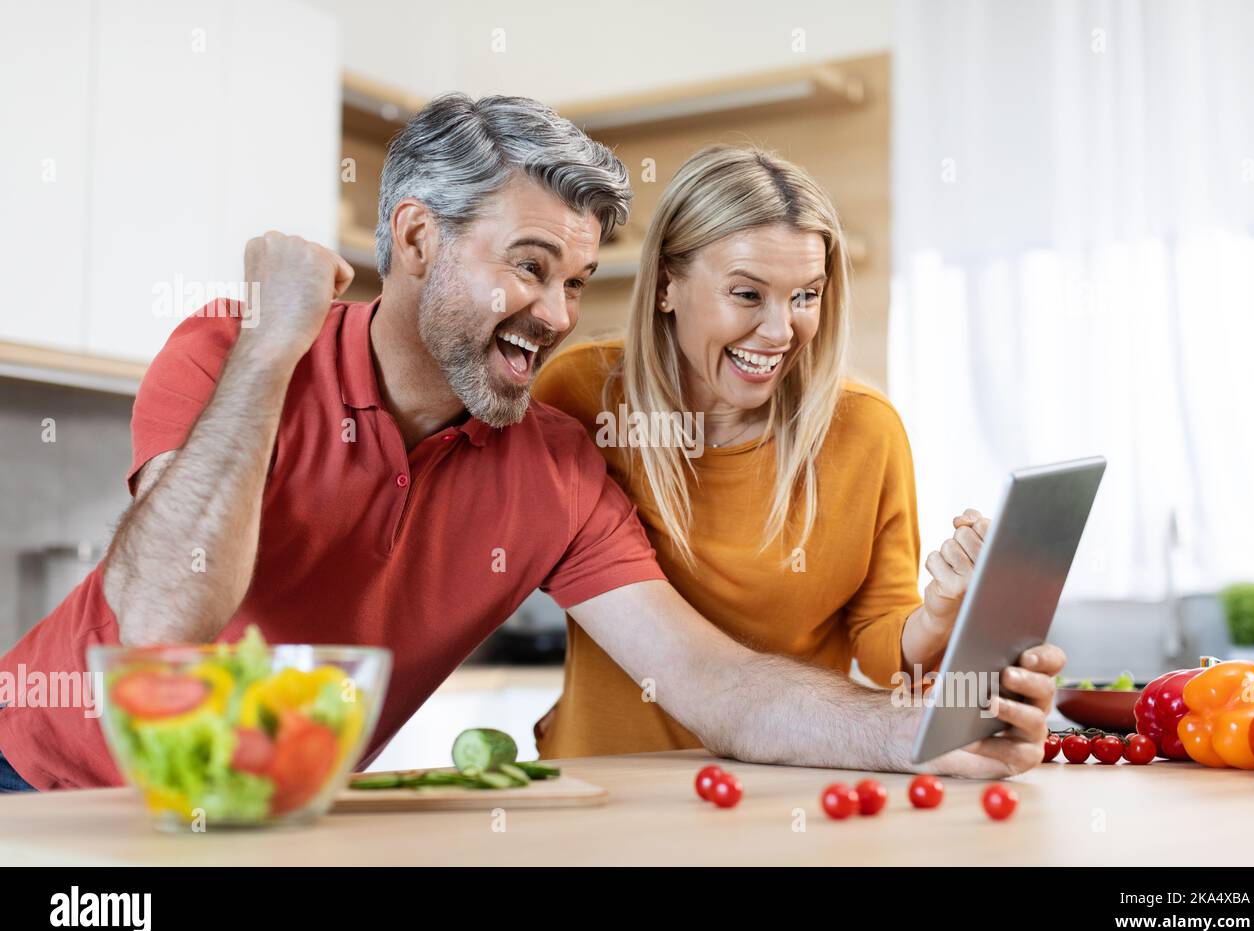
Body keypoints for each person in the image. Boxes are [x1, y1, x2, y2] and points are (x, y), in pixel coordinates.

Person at [0, 95, 1060, 793]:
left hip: (263, 819)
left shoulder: (551, 459)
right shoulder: (235, 351)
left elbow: (712, 681)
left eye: (575, 280)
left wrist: (919, 731)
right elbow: (160, 617)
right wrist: (275, 341)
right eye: (528, 266)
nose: (556, 313)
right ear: (416, 241)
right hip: (38, 786)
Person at [534, 145, 1002, 759]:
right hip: (608, 784)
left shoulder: (866, 430)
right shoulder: (579, 396)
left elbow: (882, 648)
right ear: (668, 287)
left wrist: (941, 613)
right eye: (748, 295)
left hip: (781, 784)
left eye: (806, 296)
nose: (781, 331)